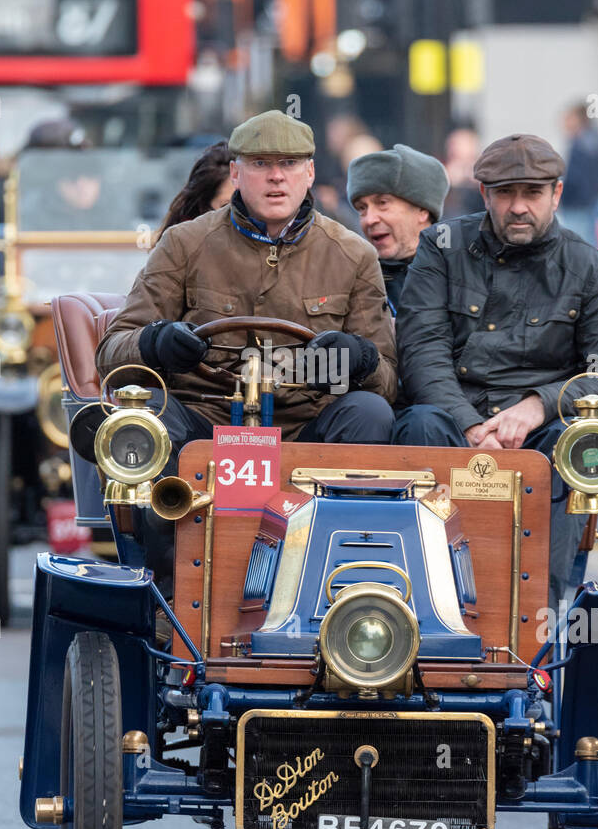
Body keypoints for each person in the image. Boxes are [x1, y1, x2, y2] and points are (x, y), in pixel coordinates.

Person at [96, 108, 397, 593]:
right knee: (148, 417)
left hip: (304, 427)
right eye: (259, 164)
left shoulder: (351, 254)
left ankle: (340, 587)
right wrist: (155, 344)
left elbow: (386, 378)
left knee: (369, 412)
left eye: (289, 163)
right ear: (235, 172)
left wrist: (355, 360)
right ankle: (173, 595)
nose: (275, 176)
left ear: (310, 173)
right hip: (205, 425)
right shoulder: (185, 244)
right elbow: (112, 354)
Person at [394, 132, 598, 611]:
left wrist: (538, 406)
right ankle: (419, 615)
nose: (518, 207)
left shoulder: (591, 269)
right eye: (505, 194)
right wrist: (469, 425)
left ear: (557, 195)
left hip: (540, 434)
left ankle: (533, 628)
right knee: (419, 423)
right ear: (485, 195)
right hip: (448, 422)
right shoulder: (441, 248)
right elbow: (421, 350)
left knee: (577, 444)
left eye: (532, 194)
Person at [347, 143, 450, 313]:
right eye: (362, 208)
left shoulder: (460, 275)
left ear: (422, 210)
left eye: (383, 203)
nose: (369, 220)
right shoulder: (353, 281)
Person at [154, 140, 234, 239]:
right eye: (226, 206)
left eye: (245, 204)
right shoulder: (181, 245)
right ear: (202, 206)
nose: (240, 214)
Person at [560, 103, 598, 245]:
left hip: (578, 204)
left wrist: (564, 195)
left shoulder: (582, 143)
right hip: (588, 201)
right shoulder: (592, 139)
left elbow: (578, 177)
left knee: (580, 244)